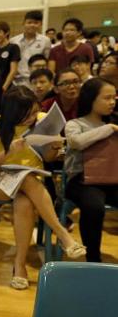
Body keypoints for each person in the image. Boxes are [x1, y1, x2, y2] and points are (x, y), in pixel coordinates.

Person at [0, 86, 85, 289]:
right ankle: (62, 234)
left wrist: (53, 147)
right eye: (28, 114)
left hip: (32, 180)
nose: (33, 117)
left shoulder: (43, 120)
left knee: (25, 200)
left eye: (35, 111)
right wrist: (9, 151)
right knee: (26, 179)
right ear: (13, 112)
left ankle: (19, 265)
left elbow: (47, 158)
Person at [64, 77, 118, 263]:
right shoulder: (75, 124)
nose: (112, 102)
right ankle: (93, 259)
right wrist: (109, 129)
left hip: (112, 178)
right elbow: (77, 142)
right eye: (107, 98)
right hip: (81, 180)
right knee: (94, 207)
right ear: (91, 99)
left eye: (114, 98)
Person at [10, 10, 51, 88]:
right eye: (29, 22)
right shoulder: (13, 41)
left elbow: (47, 61)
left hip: (37, 81)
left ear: (40, 24)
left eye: (36, 23)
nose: (32, 25)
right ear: (23, 23)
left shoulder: (45, 41)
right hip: (17, 81)